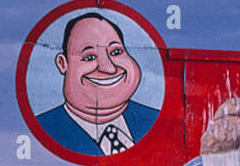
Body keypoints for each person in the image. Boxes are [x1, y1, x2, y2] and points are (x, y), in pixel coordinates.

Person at [37, 13, 159, 156]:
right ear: (63, 63)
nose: (109, 68)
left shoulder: (153, 120)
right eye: (89, 57)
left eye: (116, 52)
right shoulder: (48, 127)